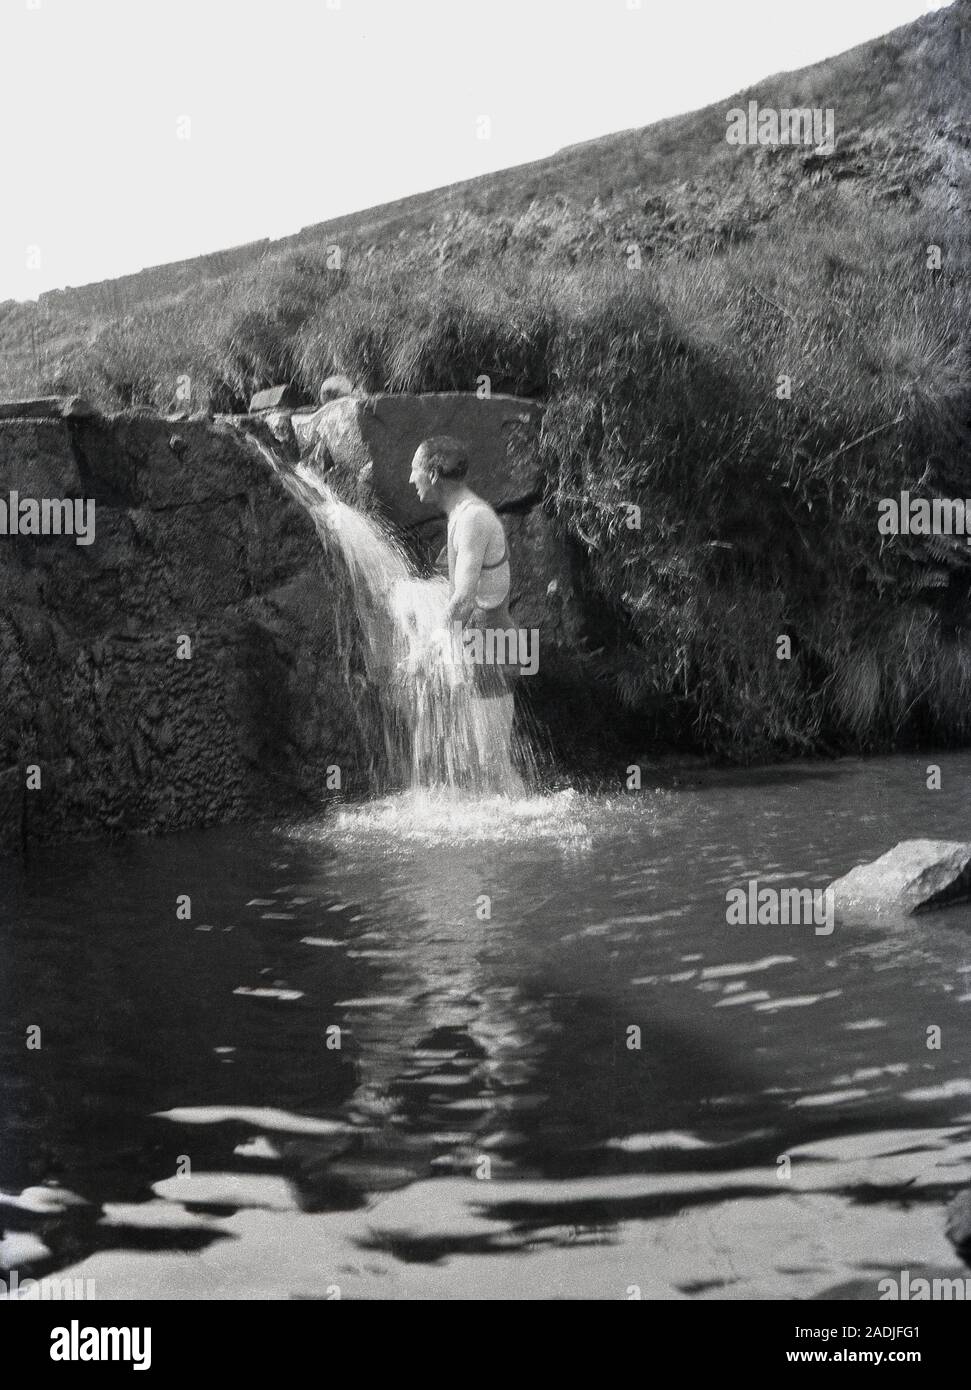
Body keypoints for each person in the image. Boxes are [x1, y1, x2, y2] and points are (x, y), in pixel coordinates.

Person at [408, 435, 523, 777]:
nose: (410, 478)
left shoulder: (473, 518)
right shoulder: (460, 516)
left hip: (493, 648)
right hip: (482, 646)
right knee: (479, 766)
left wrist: (428, 651)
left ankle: (522, 825)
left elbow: (463, 598)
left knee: (492, 766)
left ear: (432, 473)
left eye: (414, 469)